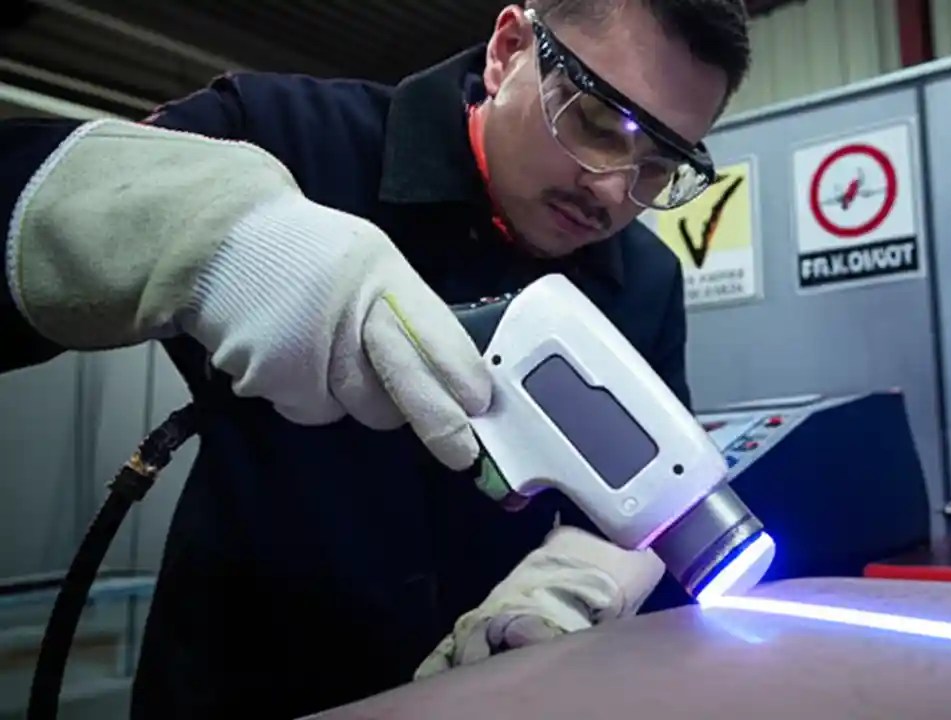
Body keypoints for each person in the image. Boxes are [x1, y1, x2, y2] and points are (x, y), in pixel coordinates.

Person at [0, 0, 751, 717]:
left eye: (661, 165)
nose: (615, 190)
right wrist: (206, 236)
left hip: (498, 695)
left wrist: (582, 579)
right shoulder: (285, 137)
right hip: (241, 689)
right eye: (596, 120)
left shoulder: (646, 281)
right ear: (508, 51)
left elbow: (648, 500)